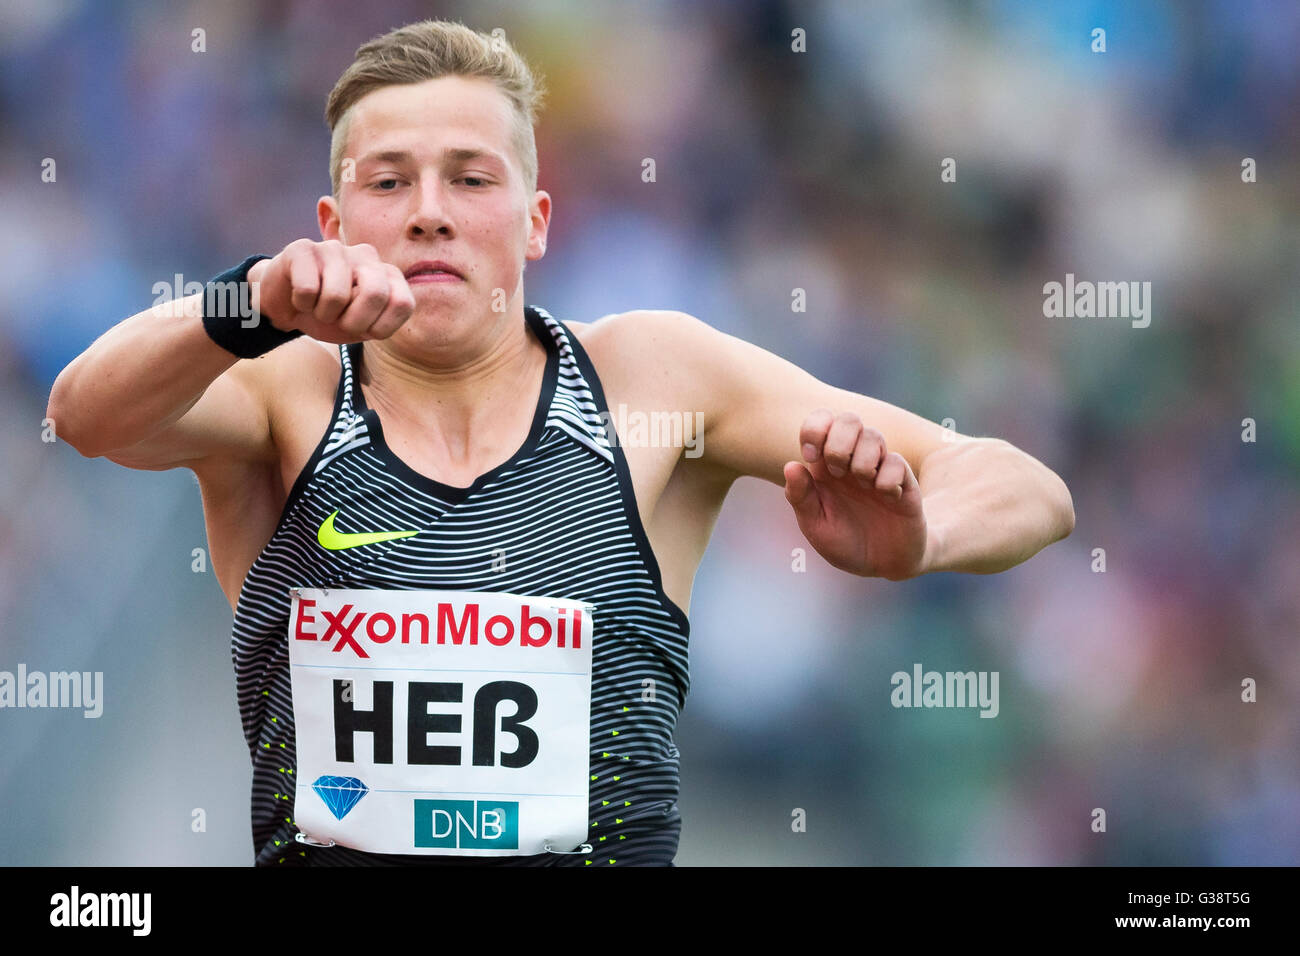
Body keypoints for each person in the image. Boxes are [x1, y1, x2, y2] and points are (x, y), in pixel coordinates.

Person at [46, 20, 1074, 867]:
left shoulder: (653, 382)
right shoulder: (283, 390)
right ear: (332, 218)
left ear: (537, 221)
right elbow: (86, 413)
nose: (430, 215)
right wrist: (247, 299)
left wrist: (919, 536)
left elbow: (1026, 485)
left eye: (471, 179)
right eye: (390, 182)